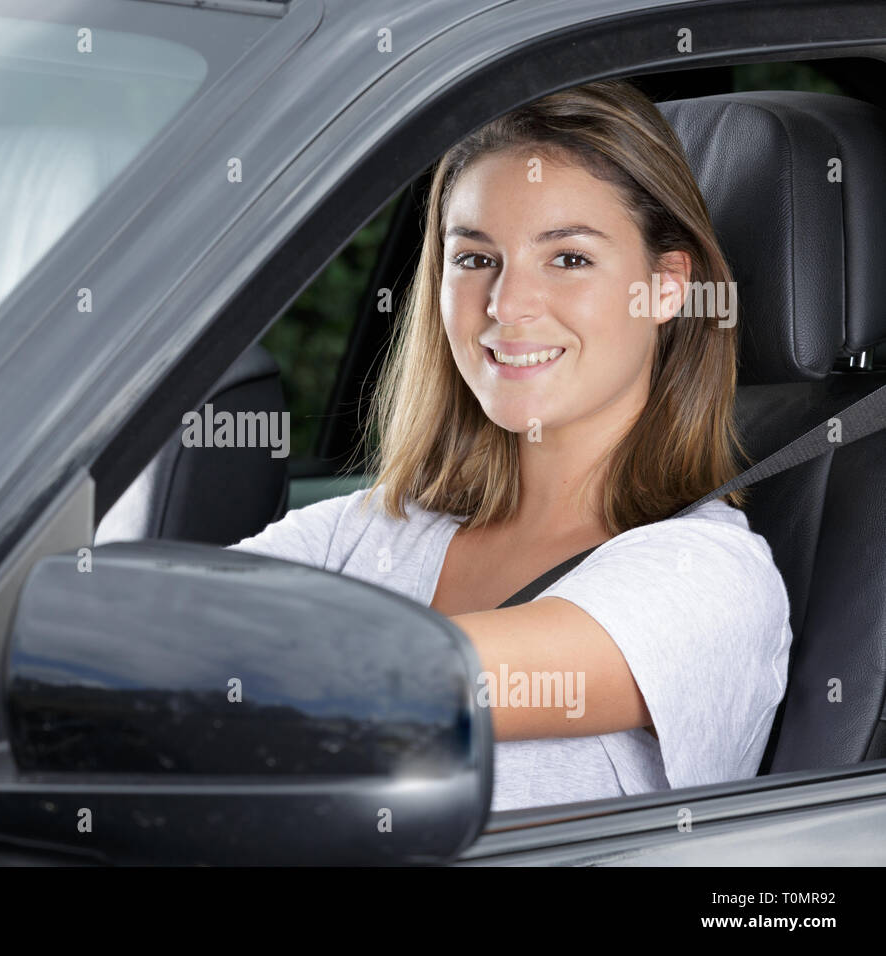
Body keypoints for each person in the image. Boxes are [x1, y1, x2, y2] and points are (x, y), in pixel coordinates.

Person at [228, 79, 792, 812]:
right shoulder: (366, 530)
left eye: (568, 259)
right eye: (474, 259)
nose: (507, 305)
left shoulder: (708, 577)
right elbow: (145, 628)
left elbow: (387, 680)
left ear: (665, 286)